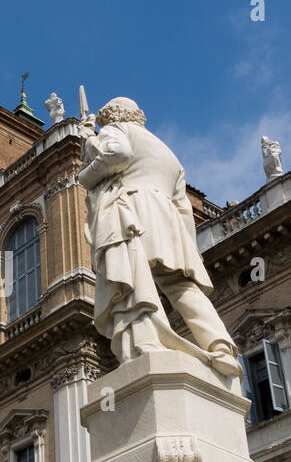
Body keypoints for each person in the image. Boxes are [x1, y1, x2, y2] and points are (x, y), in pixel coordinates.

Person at [77, 96, 240, 376]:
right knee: (181, 286)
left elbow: (117, 155)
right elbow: (184, 207)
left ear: (110, 117)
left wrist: (86, 171)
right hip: (169, 223)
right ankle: (220, 347)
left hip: (129, 212)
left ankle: (146, 344)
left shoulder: (115, 130)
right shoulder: (168, 153)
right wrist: (188, 246)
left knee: (133, 281)